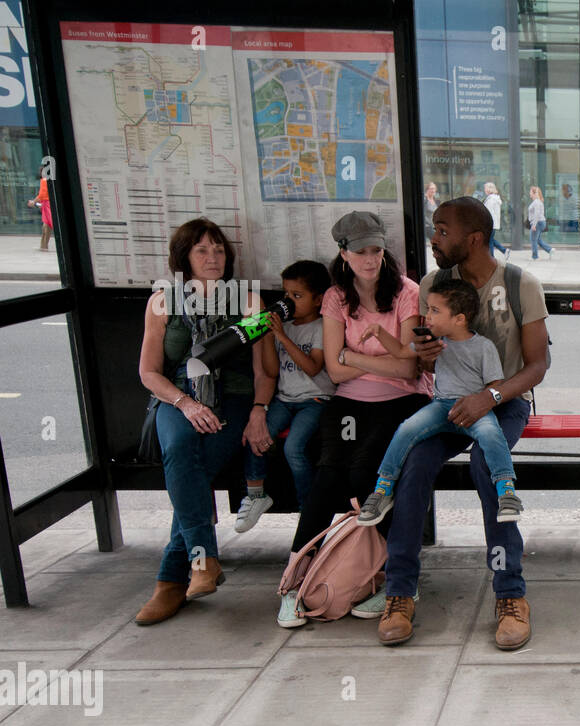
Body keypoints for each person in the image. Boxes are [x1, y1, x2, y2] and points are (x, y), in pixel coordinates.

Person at [377, 197, 550, 649]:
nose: (434, 239)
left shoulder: (520, 284)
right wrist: (425, 356)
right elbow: (420, 358)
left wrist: (488, 397)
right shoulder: (433, 284)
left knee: (484, 467)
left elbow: (537, 365)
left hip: (504, 401)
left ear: (473, 239)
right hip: (448, 402)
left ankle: (510, 593)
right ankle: (399, 591)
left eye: (442, 230)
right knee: (414, 465)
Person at [276, 211, 431, 628]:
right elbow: (333, 371)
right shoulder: (335, 298)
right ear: (343, 253)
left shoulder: (406, 292)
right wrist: (365, 361)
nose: (370, 259)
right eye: (360, 251)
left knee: (367, 474)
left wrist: (351, 356)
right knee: (327, 478)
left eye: (376, 250)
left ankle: (399, 579)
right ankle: (294, 580)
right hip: (348, 402)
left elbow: (409, 371)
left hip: (401, 401)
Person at [134, 218, 273, 625]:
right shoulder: (163, 301)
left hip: (231, 400)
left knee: (195, 470)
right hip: (176, 400)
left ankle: (173, 578)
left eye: (218, 249)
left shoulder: (249, 303)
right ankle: (202, 562)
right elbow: (148, 373)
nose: (213, 257)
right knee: (179, 448)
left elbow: (264, 373)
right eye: (202, 250)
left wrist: (258, 411)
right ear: (185, 258)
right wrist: (185, 404)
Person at [356, 277, 523, 527]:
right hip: (440, 406)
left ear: (459, 318)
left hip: (473, 408)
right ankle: (382, 490)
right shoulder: (433, 342)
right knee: (406, 429)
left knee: (491, 434)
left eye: (435, 310)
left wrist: (482, 401)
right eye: (428, 309)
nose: (427, 316)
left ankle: (506, 491)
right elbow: (402, 352)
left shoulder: (483, 347)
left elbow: (495, 384)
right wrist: (379, 333)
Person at [234, 259, 335, 530]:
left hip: (314, 400)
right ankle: (256, 494)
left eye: (297, 296)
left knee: (294, 448)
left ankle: (308, 509)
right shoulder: (285, 326)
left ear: (318, 299)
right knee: (254, 435)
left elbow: (313, 367)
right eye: (286, 295)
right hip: (285, 399)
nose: (289, 302)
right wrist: (268, 335)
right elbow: (270, 369)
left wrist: (283, 337)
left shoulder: (322, 326)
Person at [483, 182, 509, 259]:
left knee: (489, 241)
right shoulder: (493, 199)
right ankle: (504, 251)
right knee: (490, 239)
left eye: (485, 188)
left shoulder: (491, 200)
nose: (484, 190)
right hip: (493, 224)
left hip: (490, 224)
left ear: (488, 189)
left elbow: (488, 213)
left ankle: (491, 257)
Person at [27, 175, 53, 252]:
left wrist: (33, 202)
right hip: (47, 203)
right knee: (46, 225)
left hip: (47, 204)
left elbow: (42, 195)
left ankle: (44, 246)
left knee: (47, 225)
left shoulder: (44, 180)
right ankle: (43, 246)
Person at [527, 185, 554, 259]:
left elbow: (537, 214)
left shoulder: (536, 202)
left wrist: (534, 225)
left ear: (534, 193)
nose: (529, 193)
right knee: (537, 240)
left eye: (530, 192)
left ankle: (535, 257)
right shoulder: (537, 202)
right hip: (539, 222)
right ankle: (550, 250)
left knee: (533, 240)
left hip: (538, 223)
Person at [423, 182, 439, 248]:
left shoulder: (435, 199)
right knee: (437, 241)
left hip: (434, 225)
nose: (433, 190)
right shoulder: (424, 199)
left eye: (434, 188)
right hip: (427, 226)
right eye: (431, 188)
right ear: (427, 189)